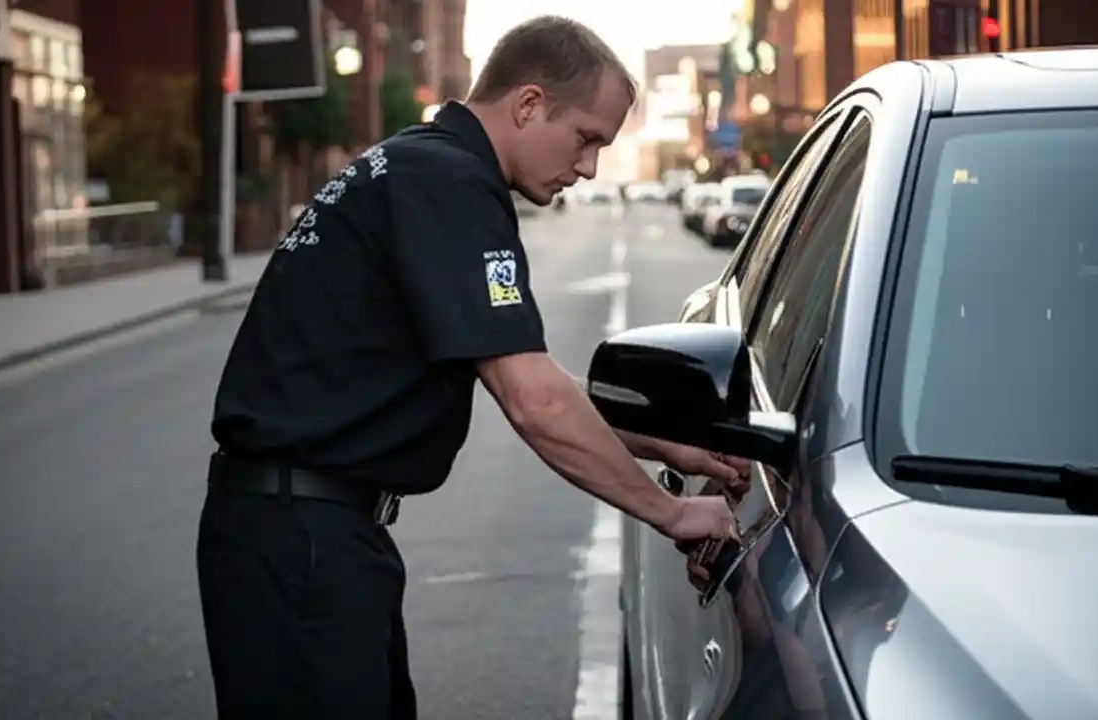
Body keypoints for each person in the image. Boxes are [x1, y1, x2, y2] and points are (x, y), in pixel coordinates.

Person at [196, 15, 747, 719]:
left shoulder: (423, 166)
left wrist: (658, 439)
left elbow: (516, 374)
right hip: (301, 543)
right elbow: (532, 400)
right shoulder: (450, 184)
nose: (589, 169)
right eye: (585, 139)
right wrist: (670, 511)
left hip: (308, 534)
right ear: (527, 104)